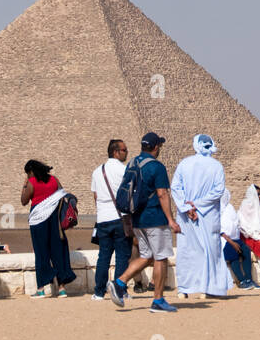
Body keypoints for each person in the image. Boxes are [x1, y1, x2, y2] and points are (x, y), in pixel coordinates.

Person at [109, 132, 182, 313]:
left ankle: (119, 283)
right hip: (155, 218)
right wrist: (171, 220)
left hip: (137, 219)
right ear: (156, 147)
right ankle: (158, 300)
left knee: (146, 255)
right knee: (161, 257)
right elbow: (162, 194)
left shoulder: (133, 163)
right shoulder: (157, 167)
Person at [171, 134, 230, 298]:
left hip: (186, 216)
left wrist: (186, 206)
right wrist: (198, 205)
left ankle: (184, 289)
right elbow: (218, 191)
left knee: (187, 251)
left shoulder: (185, 164)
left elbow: (175, 187)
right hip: (208, 214)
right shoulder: (216, 166)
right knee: (209, 251)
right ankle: (208, 288)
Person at [22, 159, 76, 299]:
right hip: (55, 220)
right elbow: (62, 195)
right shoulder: (54, 179)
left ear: (31, 171)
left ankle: (41, 289)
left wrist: (24, 186)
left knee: (41, 253)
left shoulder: (31, 183)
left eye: (27, 173)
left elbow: (23, 201)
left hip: (38, 221)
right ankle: (62, 288)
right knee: (58, 251)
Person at [90, 138, 131, 301]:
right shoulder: (123, 170)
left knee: (104, 256)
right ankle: (120, 290)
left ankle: (99, 292)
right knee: (122, 256)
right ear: (115, 152)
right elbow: (130, 192)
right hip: (120, 217)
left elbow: (95, 195)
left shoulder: (96, 171)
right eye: (124, 150)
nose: (126, 153)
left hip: (103, 219)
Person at [221, 189, 258, 288]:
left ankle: (249, 279)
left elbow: (236, 224)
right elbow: (217, 229)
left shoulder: (230, 208)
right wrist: (231, 242)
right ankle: (241, 281)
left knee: (246, 250)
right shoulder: (215, 210)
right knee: (233, 253)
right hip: (224, 240)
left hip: (235, 238)